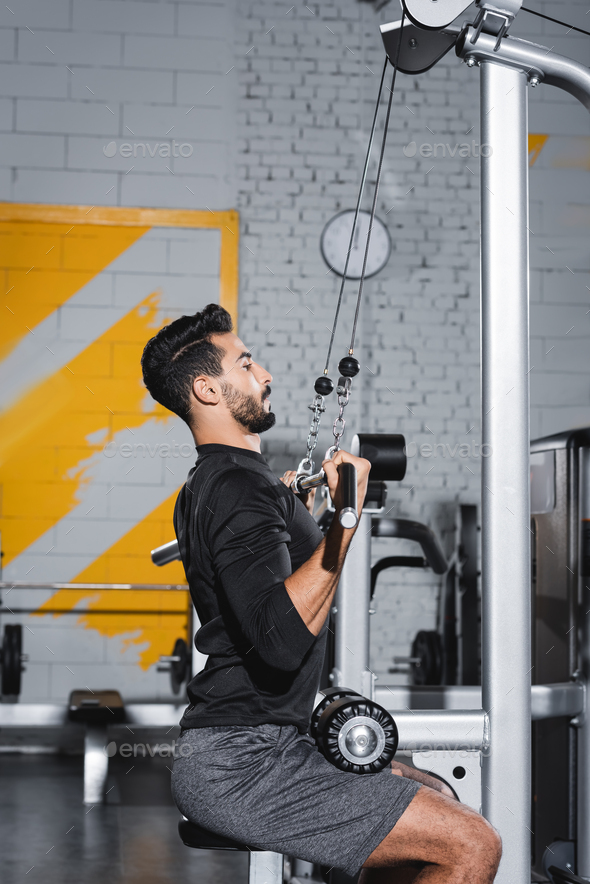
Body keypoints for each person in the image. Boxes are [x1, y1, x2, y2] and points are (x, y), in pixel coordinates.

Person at [141, 304, 501, 883]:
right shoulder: (237, 486)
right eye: (246, 364)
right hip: (243, 763)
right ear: (207, 389)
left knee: (437, 793)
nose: (265, 375)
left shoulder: (218, 481)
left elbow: (265, 586)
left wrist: (296, 519)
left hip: (268, 744)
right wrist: (345, 516)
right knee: (472, 844)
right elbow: (280, 641)